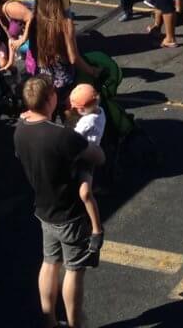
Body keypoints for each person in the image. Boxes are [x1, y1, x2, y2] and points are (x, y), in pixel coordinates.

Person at [13, 75, 105, 328]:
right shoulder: (61, 136)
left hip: (43, 208)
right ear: (49, 99)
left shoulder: (20, 129)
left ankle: (49, 320)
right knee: (74, 269)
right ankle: (75, 323)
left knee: (49, 263)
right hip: (69, 213)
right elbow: (97, 156)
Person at [67, 82, 107, 262]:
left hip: (84, 158)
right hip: (91, 153)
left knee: (85, 192)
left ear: (82, 108)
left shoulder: (86, 121)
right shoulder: (100, 111)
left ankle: (96, 229)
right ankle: (94, 226)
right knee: (83, 192)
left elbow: (72, 139)